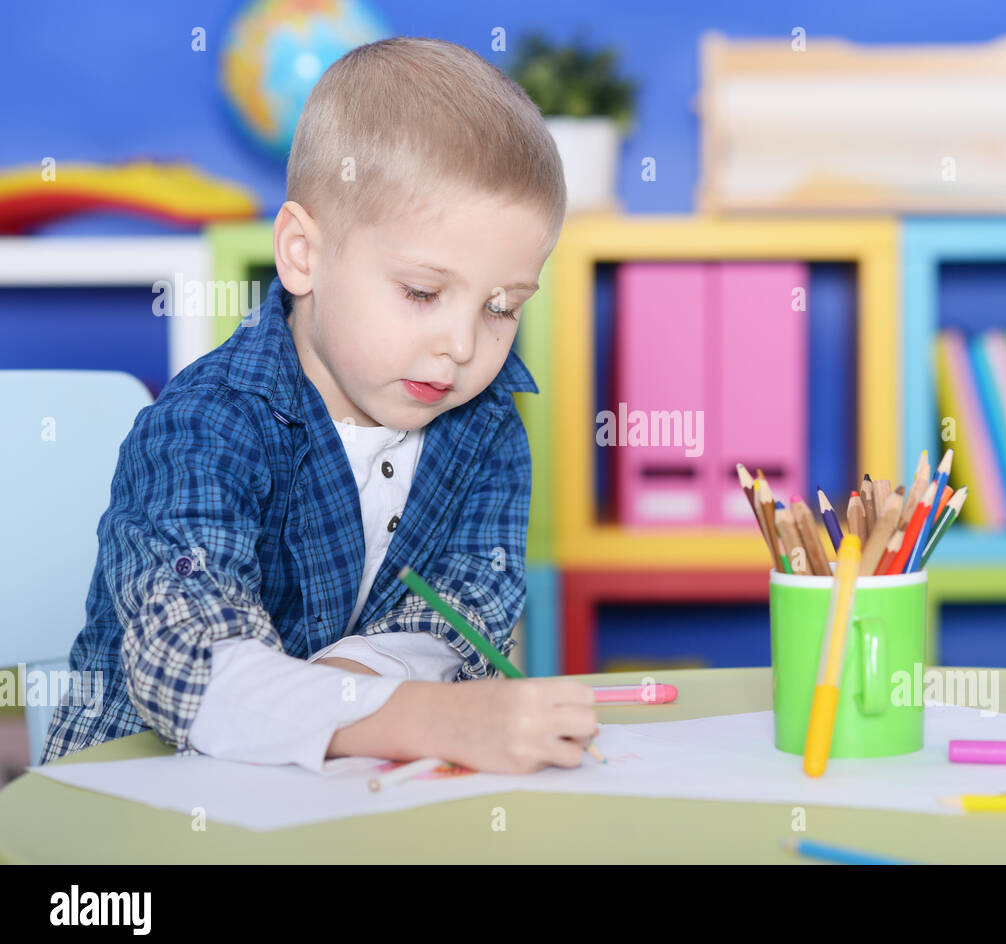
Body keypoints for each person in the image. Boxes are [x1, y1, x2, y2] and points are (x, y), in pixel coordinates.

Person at [42, 36, 598, 773]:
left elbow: (461, 616)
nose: (463, 345)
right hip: (136, 794)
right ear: (303, 255)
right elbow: (193, 665)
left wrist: (351, 693)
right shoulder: (205, 425)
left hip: (323, 798)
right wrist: (415, 717)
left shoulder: (487, 429)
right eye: (423, 292)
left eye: (501, 306)